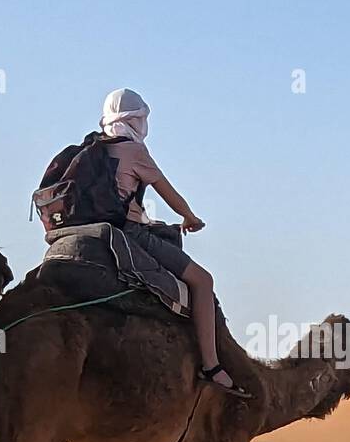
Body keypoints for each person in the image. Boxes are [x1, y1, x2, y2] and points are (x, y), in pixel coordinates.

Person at [97, 87, 248, 397]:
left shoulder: (94, 148)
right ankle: (212, 367)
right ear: (136, 119)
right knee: (203, 281)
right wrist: (190, 217)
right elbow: (168, 193)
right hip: (127, 233)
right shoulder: (134, 151)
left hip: (92, 232)